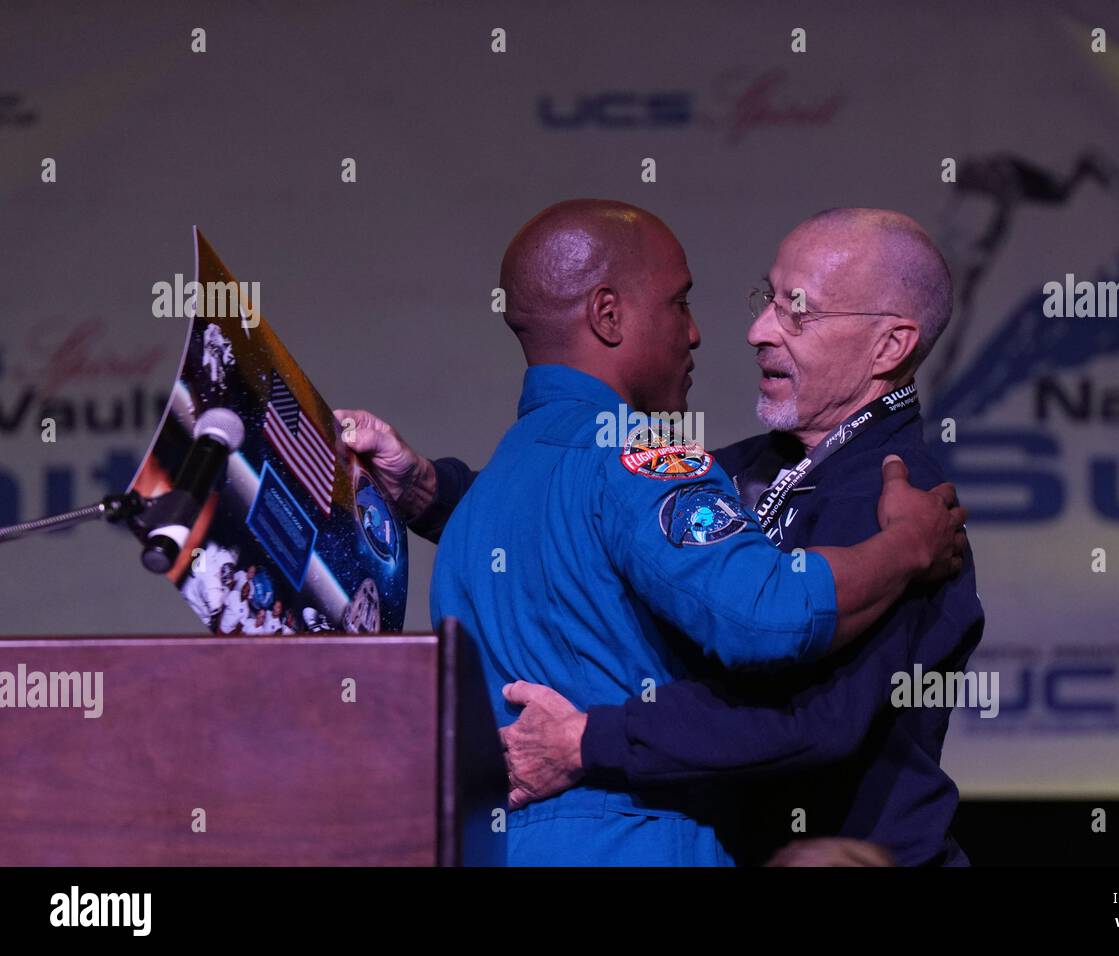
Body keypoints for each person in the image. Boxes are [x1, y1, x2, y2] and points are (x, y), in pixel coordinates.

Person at [339, 199, 966, 866]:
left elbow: (818, 720)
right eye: (680, 303)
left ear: (891, 344)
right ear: (608, 316)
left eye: (796, 310)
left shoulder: (514, 481)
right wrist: (905, 547)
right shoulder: (648, 455)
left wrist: (589, 740)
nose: (734, 331)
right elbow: (768, 611)